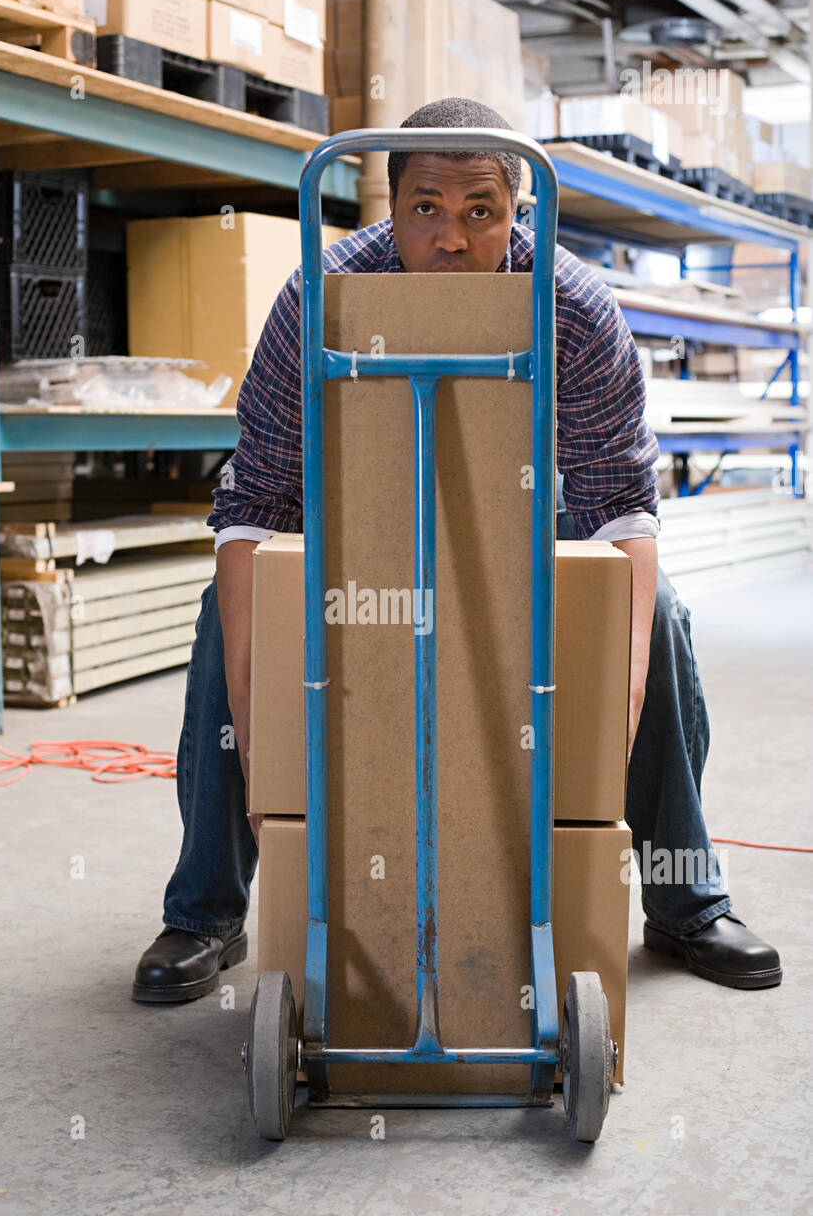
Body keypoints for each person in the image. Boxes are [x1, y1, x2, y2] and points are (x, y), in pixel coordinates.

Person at [133, 97, 782, 1005]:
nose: (449, 237)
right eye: (425, 209)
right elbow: (254, 507)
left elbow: (620, 512)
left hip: (521, 515)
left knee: (658, 610)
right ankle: (205, 909)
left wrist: (621, 695)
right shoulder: (319, 297)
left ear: (516, 213)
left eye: (479, 210)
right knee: (226, 607)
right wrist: (253, 722)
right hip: (369, 515)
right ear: (388, 210)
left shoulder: (572, 307)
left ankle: (685, 902)